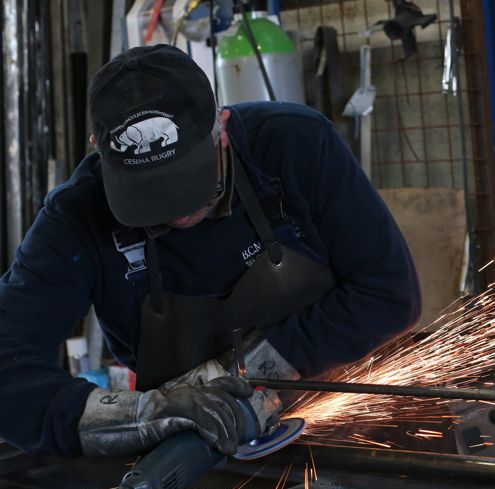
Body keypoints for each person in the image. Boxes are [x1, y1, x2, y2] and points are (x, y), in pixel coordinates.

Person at [0, 44, 421, 458]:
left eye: (195, 188)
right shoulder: (76, 216)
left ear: (222, 129)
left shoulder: (295, 146)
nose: (180, 214)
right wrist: (143, 414)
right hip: (195, 457)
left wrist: (237, 376)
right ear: (100, 150)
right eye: (153, 203)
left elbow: (388, 294)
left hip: (350, 429)